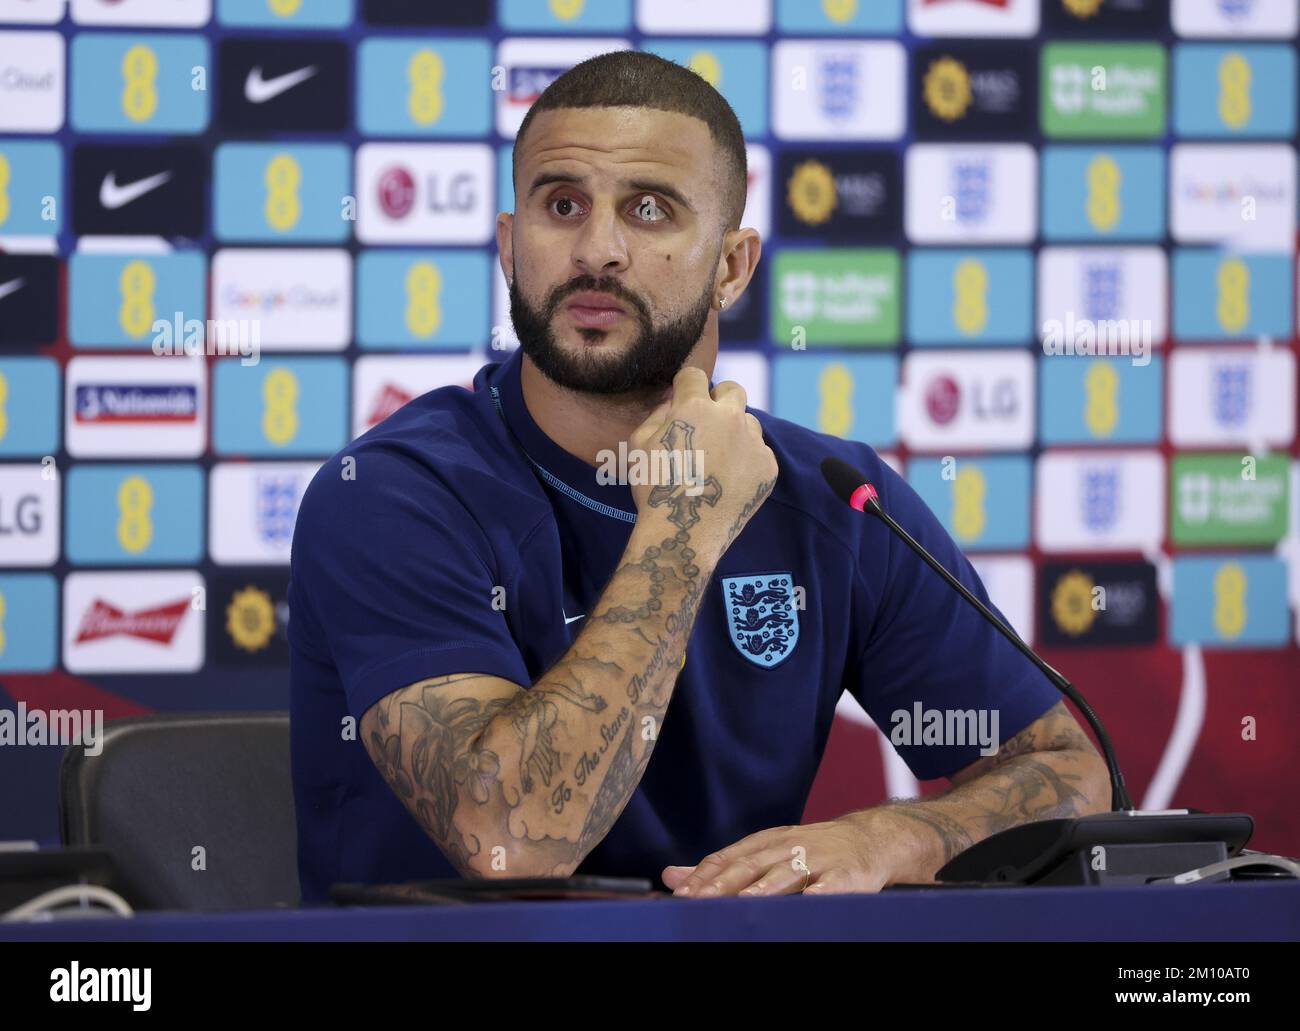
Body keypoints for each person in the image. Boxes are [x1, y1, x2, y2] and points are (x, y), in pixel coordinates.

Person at [288, 51, 1108, 903]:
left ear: (732, 266)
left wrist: (889, 836)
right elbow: (512, 839)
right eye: (561, 205)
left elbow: (1070, 775)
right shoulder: (391, 494)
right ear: (507, 247)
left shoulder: (836, 497)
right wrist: (683, 529)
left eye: (649, 211)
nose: (597, 250)